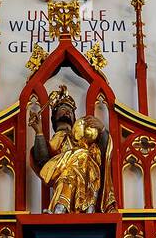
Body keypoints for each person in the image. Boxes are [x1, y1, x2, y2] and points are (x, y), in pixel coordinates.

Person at [29, 86, 116, 214]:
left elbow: (103, 154)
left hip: (85, 175)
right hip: (61, 174)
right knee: (77, 161)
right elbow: (43, 162)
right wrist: (39, 131)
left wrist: (102, 129)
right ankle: (64, 208)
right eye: (63, 109)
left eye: (70, 111)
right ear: (54, 117)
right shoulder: (54, 141)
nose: (67, 112)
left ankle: (81, 207)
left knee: (87, 160)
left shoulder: (82, 139)